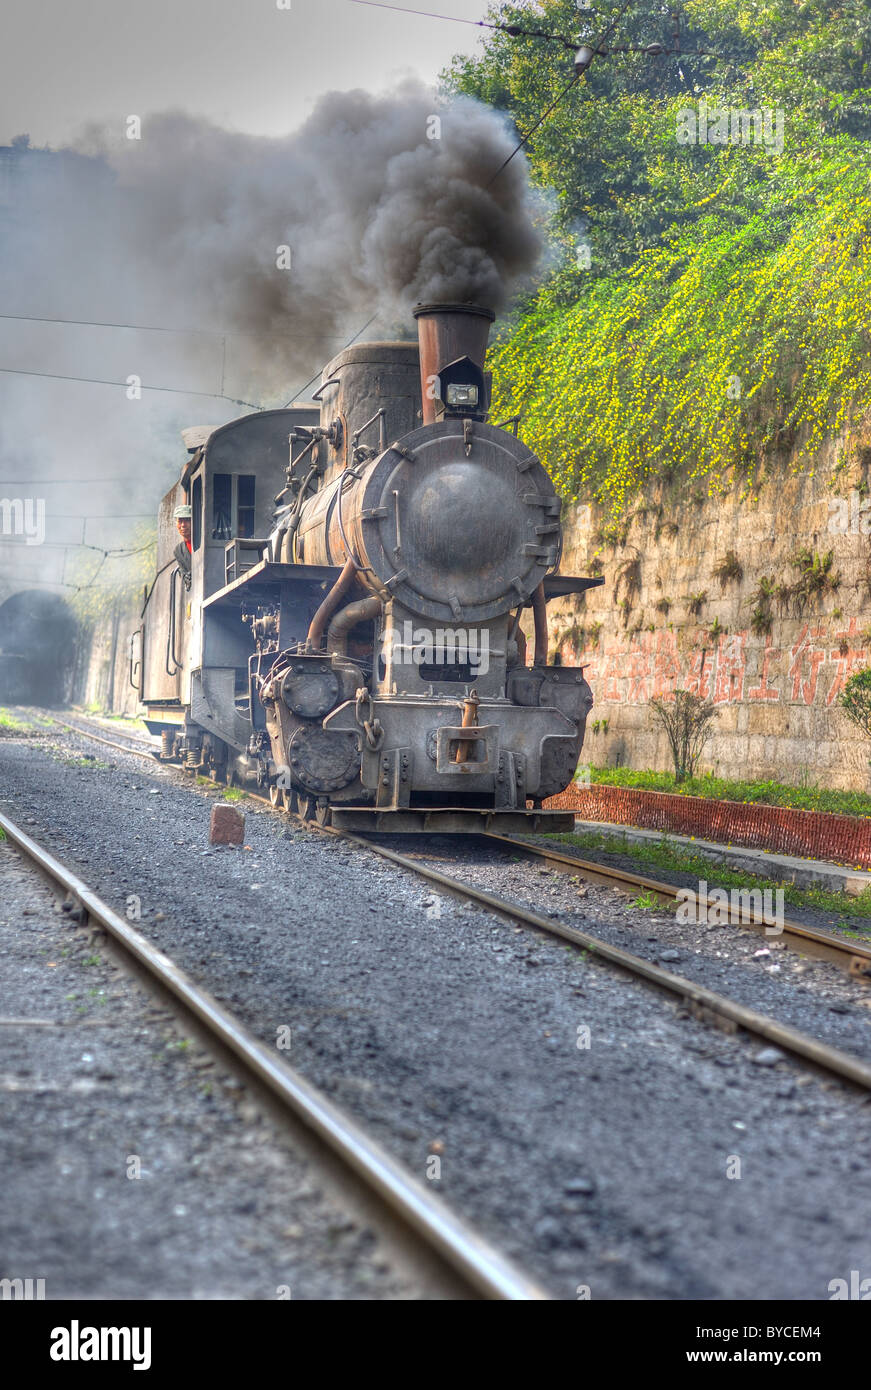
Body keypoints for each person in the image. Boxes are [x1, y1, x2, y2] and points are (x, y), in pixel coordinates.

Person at [173, 503, 192, 591]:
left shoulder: (202, 543)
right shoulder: (178, 551)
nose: (183, 525)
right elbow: (184, 574)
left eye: (187, 520)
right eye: (180, 521)